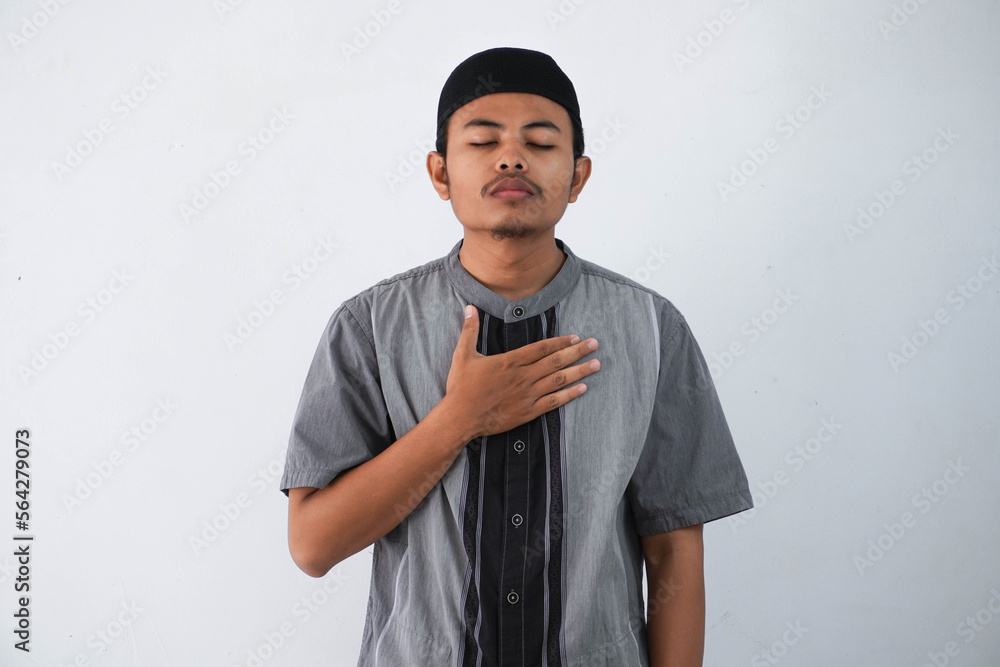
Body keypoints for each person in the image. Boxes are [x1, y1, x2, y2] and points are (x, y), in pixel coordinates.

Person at [280, 46, 753, 667]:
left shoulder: (650, 328)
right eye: (482, 141)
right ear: (440, 173)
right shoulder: (368, 327)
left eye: (540, 140)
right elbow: (313, 546)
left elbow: (674, 553)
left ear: (578, 176)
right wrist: (460, 419)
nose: (511, 156)